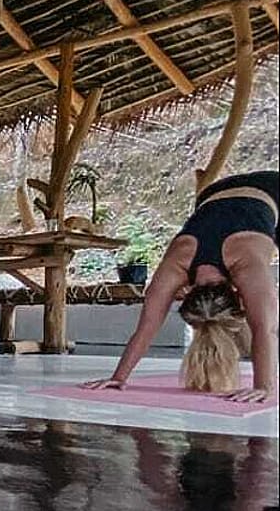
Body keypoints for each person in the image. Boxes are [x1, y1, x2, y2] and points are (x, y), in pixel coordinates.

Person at [84, 170, 278, 403]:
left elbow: (264, 329)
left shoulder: (245, 264)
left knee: (266, 312)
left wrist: (264, 387)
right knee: (264, 310)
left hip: (266, 189)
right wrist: (118, 378)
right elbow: (146, 330)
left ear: (238, 294)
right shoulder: (177, 265)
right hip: (212, 194)